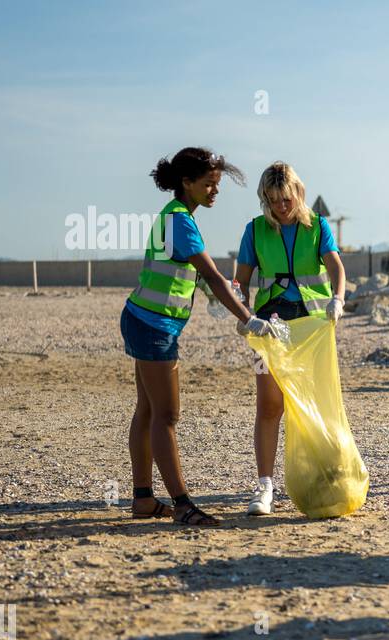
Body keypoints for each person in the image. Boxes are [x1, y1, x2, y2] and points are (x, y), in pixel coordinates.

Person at [120, 147, 275, 526]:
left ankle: (143, 498)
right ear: (186, 183)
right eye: (209, 184)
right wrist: (248, 317)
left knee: (147, 411)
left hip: (142, 319)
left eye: (217, 184)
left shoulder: (175, 216)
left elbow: (196, 274)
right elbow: (210, 274)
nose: (214, 191)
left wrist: (219, 299)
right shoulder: (180, 221)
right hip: (154, 327)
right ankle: (183, 505)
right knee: (167, 415)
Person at [234, 162, 347, 515]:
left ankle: (326, 476)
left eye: (286, 199)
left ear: (298, 193)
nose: (281, 207)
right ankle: (265, 486)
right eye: (273, 200)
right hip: (270, 326)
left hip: (311, 326)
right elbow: (240, 283)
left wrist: (338, 299)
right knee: (270, 405)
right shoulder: (254, 231)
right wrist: (244, 317)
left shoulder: (318, 227)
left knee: (314, 401)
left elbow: (336, 269)